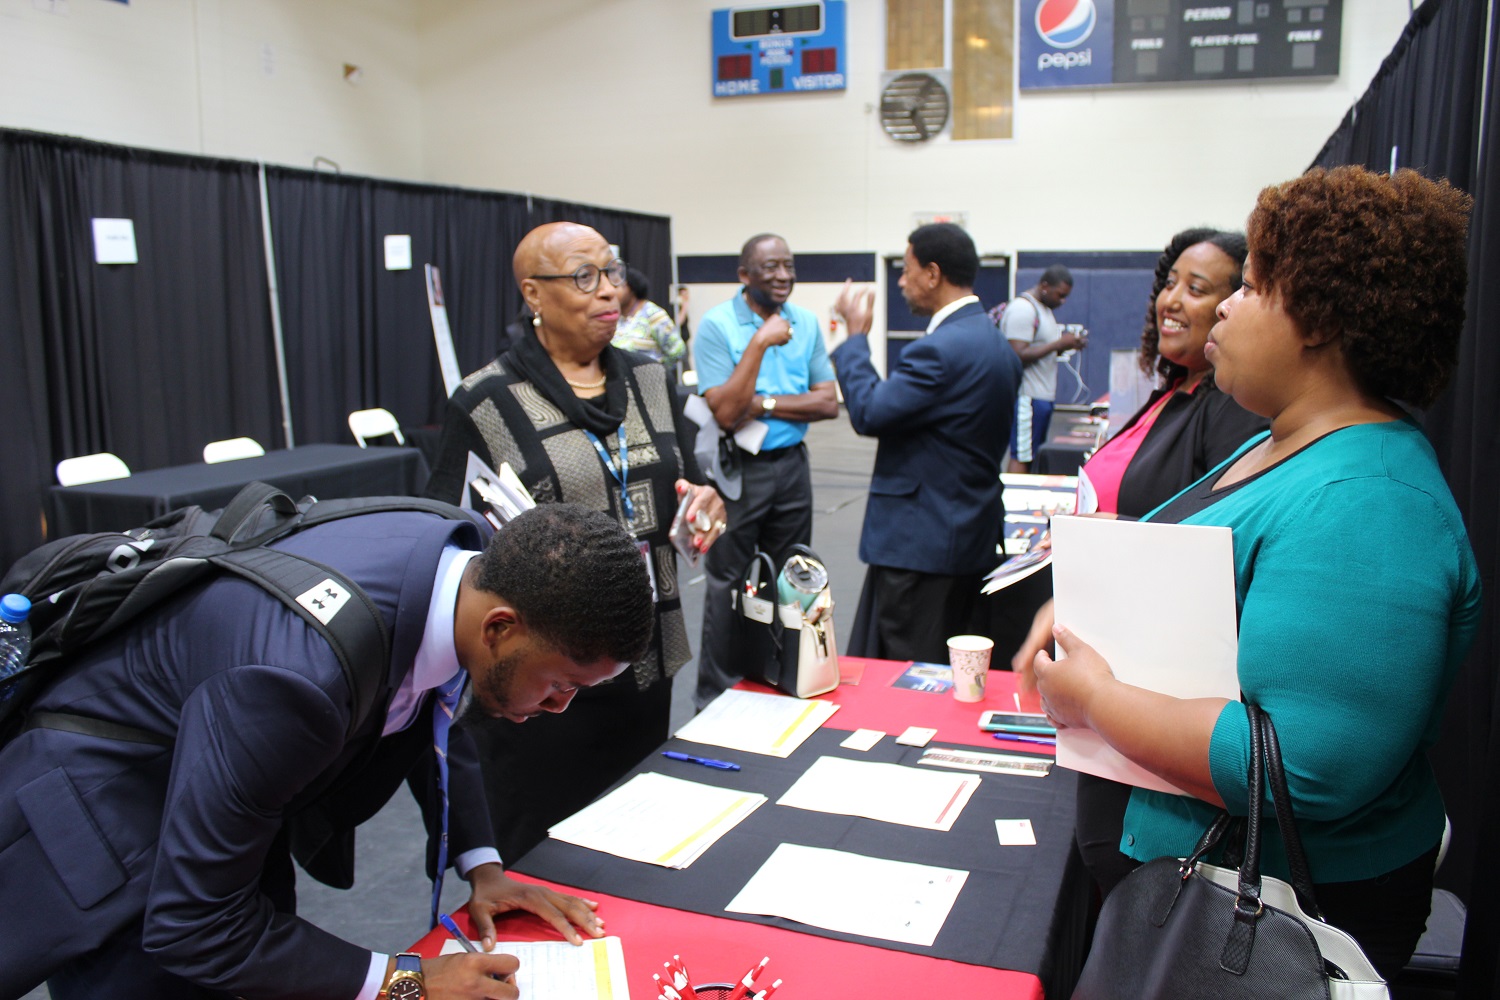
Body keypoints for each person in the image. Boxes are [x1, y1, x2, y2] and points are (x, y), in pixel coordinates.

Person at [1028, 166, 1480, 979]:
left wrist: (1095, 698)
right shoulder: (1287, 441)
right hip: (1191, 886)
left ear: (1318, 319)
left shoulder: (1367, 498)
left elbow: (1303, 769)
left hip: (1269, 925)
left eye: (1255, 287)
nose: (1228, 305)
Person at [0, 502, 656, 1000]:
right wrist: (409, 981)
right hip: (110, 827)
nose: (559, 707)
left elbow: (437, 700)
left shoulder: (468, 562)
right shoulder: (295, 683)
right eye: (562, 683)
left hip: (233, 787)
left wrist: (483, 865)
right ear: (500, 627)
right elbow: (194, 926)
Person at [424, 221, 727, 865]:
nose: (608, 292)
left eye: (612, 273)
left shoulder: (650, 379)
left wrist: (704, 501)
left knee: (637, 837)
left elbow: (684, 479)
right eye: (584, 278)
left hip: (640, 654)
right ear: (533, 293)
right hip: (543, 676)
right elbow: (445, 539)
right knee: (546, 853)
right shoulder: (486, 402)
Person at [1012, 227, 1269, 895]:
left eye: (1201, 287)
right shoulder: (1174, 394)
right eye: (1170, 284)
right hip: (1113, 697)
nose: (1172, 301)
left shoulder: (1228, 411)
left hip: (1154, 708)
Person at [829, 223, 1021, 662]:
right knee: (949, 660)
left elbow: (870, 412)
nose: (901, 281)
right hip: (969, 533)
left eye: (906, 269)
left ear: (932, 274)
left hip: (922, 544)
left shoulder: (939, 349)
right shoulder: (996, 345)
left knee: (910, 668)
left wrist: (855, 339)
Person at [692, 233, 838, 708]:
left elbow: (826, 402)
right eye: (770, 267)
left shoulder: (808, 323)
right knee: (728, 582)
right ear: (744, 275)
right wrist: (759, 342)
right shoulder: (717, 327)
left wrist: (766, 403)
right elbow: (728, 413)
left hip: (791, 467)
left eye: (788, 266)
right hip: (737, 470)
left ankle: (784, 676)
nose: (782, 276)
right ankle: (716, 697)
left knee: (793, 575)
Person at [1002, 264, 1086, 473]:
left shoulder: (1045, 310)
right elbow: (1017, 355)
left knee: (1032, 454)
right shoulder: (1023, 308)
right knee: (1022, 454)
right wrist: (1058, 344)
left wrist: (1066, 346)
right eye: (1060, 295)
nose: (1062, 301)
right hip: (1027, 396)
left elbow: (1040, 352)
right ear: (1045, 286)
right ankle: (1013, 502)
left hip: (1041, 396)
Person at [611, 267, 686, 365]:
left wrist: (656, 369)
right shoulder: (616, 316)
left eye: (617, 286)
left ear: (632, 288)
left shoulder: (653, 314)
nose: (612, 291)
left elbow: (678, 350)